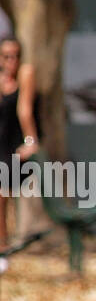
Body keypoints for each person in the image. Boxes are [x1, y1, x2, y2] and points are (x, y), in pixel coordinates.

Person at [0, 38, 39, 249]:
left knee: (3, 190)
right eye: (6, 56)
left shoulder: (26, 73)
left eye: (15, 55)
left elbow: (24, 111)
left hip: (16, 145)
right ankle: (3, 245)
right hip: (2, 142)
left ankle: (4, 246)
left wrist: (31, 141)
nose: (11, 60)